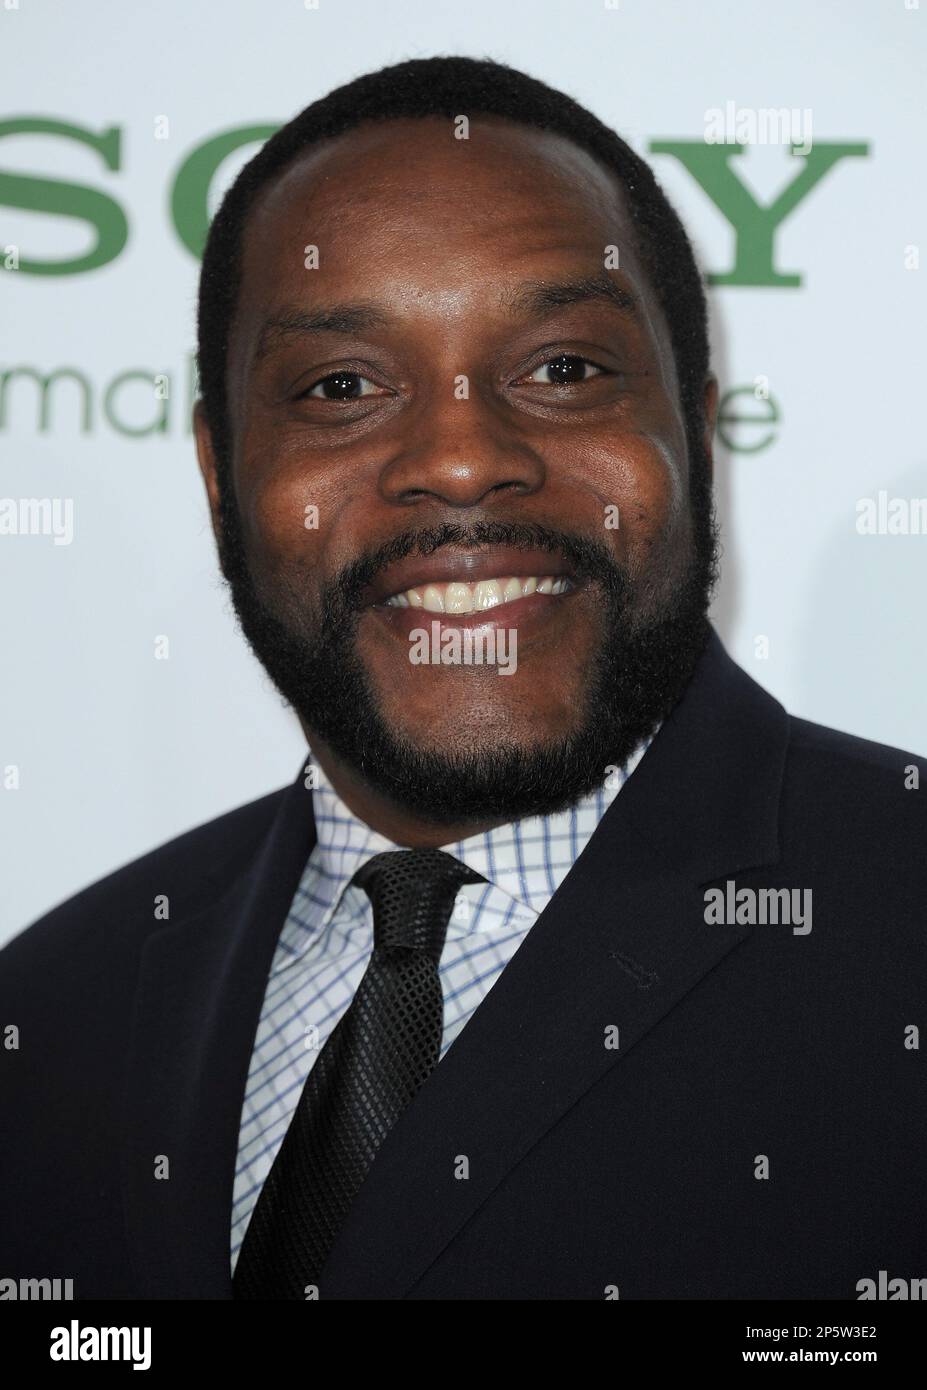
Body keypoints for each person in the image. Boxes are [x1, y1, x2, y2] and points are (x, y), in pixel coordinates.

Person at [1, 55, 924, 1302]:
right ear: (221, 477)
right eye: (340, 387)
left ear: (698, 435)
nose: (460, 456)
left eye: (563, 368)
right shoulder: (53, 1014)